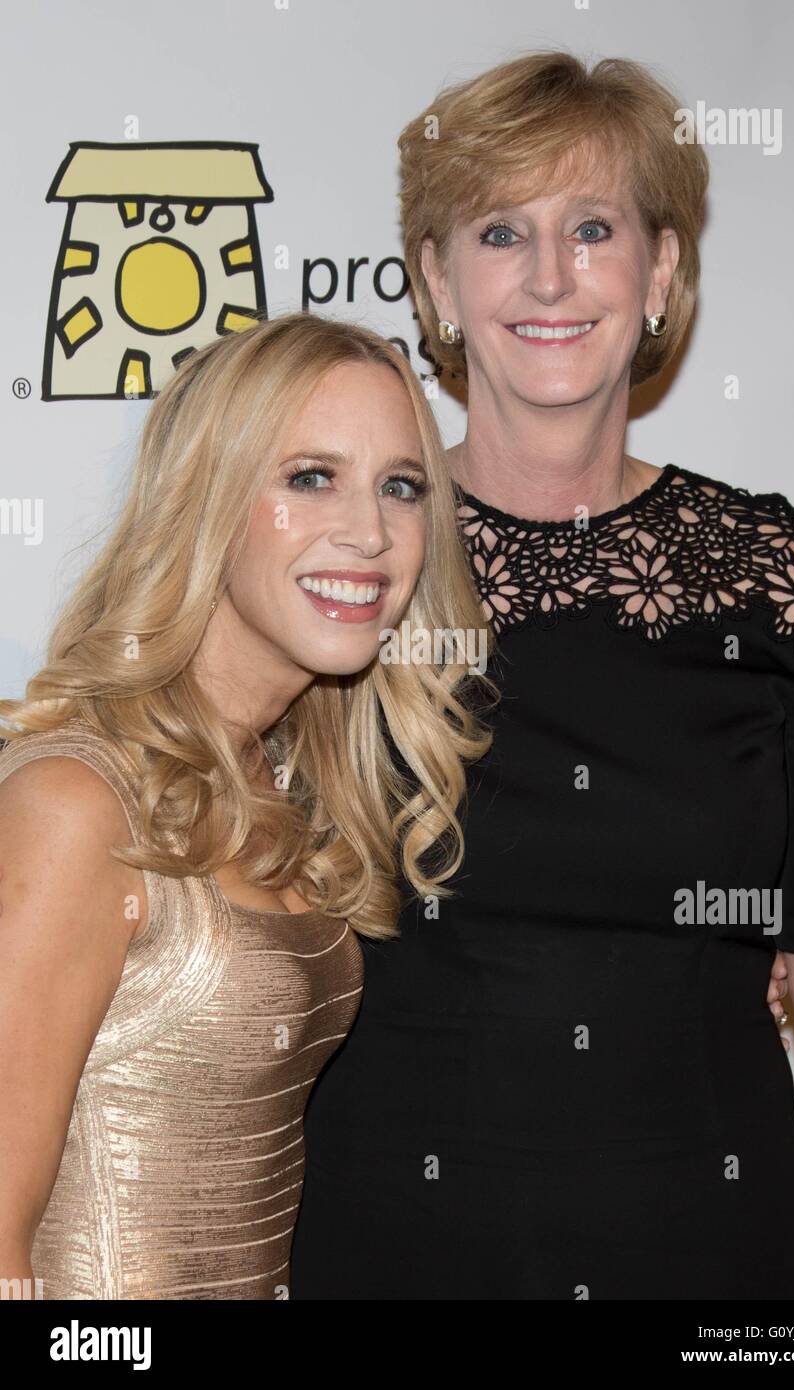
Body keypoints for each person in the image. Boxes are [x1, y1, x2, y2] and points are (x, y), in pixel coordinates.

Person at [290, 51, 794, 1299]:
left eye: (592, 228)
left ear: (658, 273)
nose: (549, 277)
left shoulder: (773, 574)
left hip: (718, 1264)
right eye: (500, 232)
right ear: (436, 281)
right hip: (397, 1253)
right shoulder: (338, 558)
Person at [0, 312, 492, 1299]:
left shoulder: (277, 782)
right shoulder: (77, 801)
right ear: (207, 500)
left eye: (401, 486)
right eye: (310, 476)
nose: (370, 531)